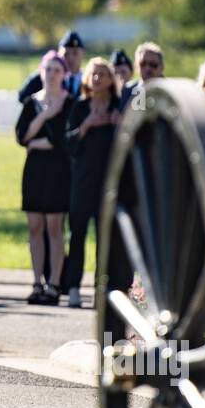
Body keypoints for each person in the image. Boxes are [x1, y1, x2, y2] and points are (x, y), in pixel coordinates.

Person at [16, 51, 74, 304]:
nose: (51, 75)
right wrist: (45, 116)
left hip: (58, 171)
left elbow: (64, 141)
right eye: (47, 70)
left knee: (54, 227)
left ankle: (55, 283)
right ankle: (37, 281)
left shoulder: (70, 103)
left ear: (64, 74)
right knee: (35, 227)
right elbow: (22, 137)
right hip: (34, 171)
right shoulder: (32, 103)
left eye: (56, 70)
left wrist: (38, 142)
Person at [62, 56, 120, 307]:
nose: (96, 79)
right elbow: (68, 145)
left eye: (102, 74)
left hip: (107, 183)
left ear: (110, 80)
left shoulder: (118, 108)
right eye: (93, 74)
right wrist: (86, 126)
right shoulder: (80, 107)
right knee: (77, 234)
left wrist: (118, 126)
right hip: (82, 181)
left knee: (104, 239)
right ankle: (73, 286)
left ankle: (101, 289)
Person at [17, 29, 84, 101]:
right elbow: (23, 98)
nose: (70, 58)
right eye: (66, 54)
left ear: (83, 54)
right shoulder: (44, 77)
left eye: (75, 53)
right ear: (59, 53)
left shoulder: (89, 80)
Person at [121, 41, 164, 111]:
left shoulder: (171, 89)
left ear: (162, 67)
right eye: (143, 64)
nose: (148, 68)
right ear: (136, 66)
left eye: (153, 64)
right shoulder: (128, 91)